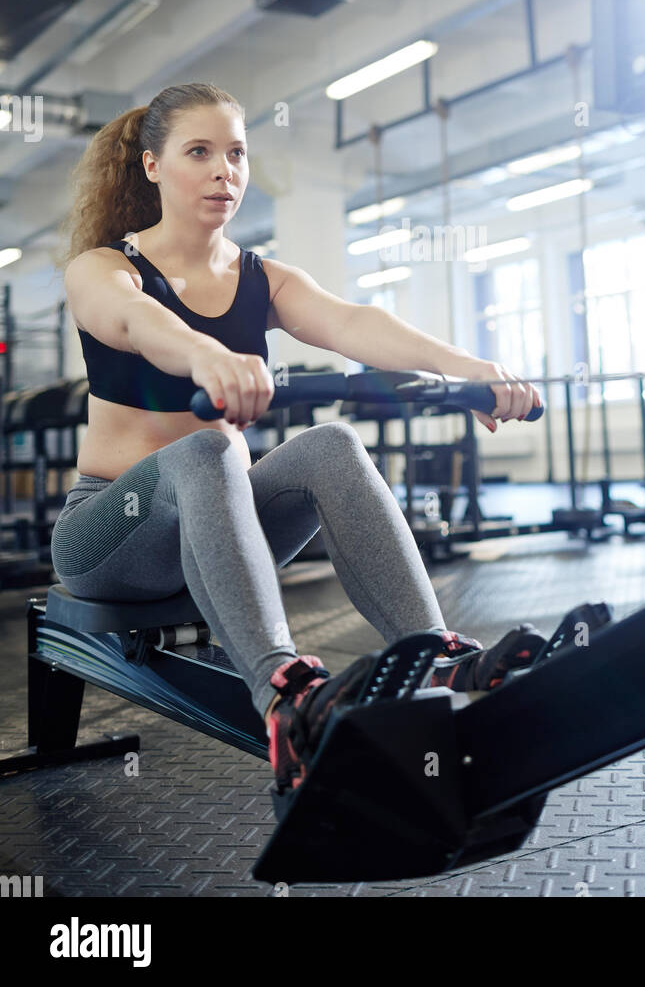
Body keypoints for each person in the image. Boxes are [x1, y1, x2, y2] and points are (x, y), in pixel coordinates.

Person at [52, 82, 546, 797]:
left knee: (333, 444)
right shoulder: (104, 269)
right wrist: (204, 355)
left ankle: (430, 654)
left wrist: (465, 367)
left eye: (237, 154)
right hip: (111, 537)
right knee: (212, 447)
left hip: (214, 534)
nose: (226, 171)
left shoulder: (262, 278)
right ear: (153, 165)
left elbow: (354, 322)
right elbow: (131, 320)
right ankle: (282, 692)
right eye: (200, 152)